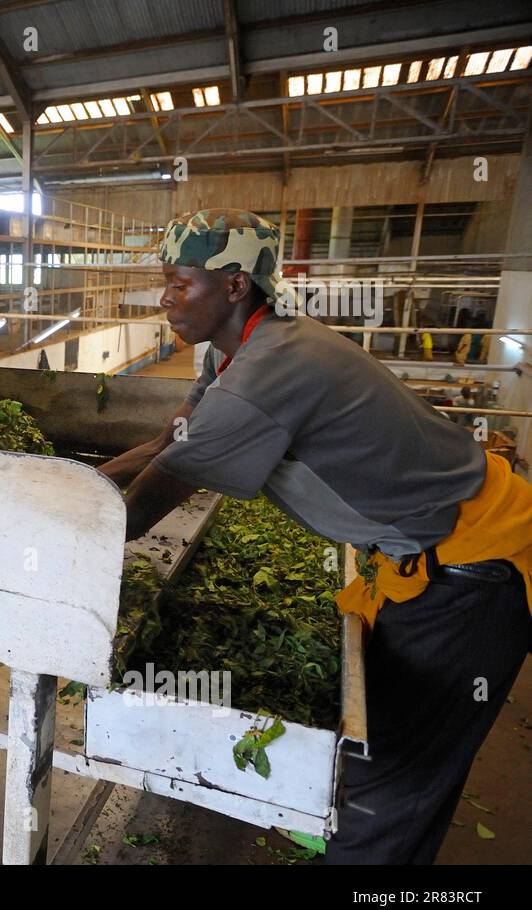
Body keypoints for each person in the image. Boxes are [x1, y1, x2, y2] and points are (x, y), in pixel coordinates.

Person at [100, 208, 531, 865]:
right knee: (378, 748)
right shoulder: (234, 349)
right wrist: (68, 479)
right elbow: (167, 441)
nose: (165, 296)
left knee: (393, 790)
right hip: (431, 551)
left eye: (180, 282)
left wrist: (46, 526)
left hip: (473, 568)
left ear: (236, 285)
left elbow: (145, 503)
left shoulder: (265, 373)